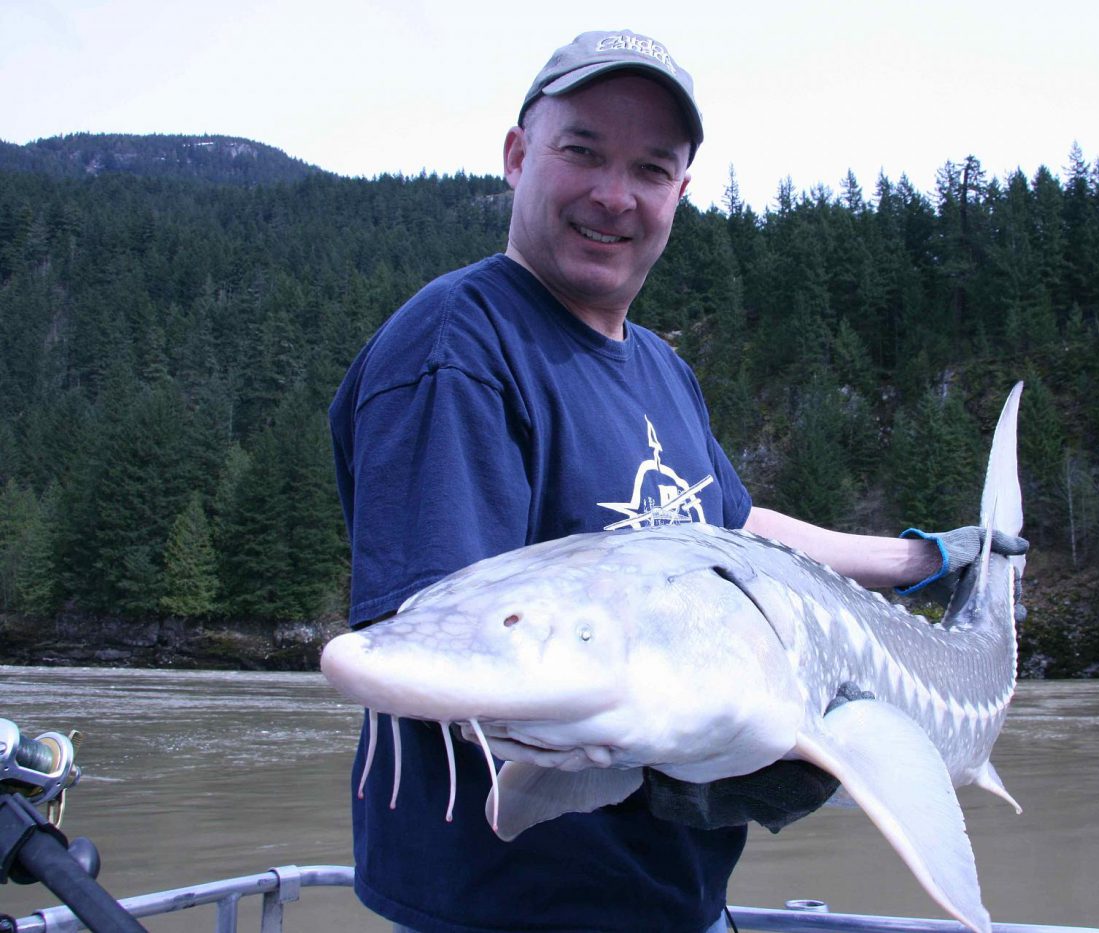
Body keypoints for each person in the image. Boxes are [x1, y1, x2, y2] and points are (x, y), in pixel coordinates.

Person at [328, 29, 1026, 933]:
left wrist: (923, 557)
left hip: (670, 903)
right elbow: (442, 656)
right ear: (517, 156)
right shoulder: (458, 346)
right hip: (512, 911)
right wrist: (708, 755)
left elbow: (737, 526)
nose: (614, 195)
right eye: (583, 151)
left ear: (680, 193)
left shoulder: (661, 367)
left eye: (651, 169)